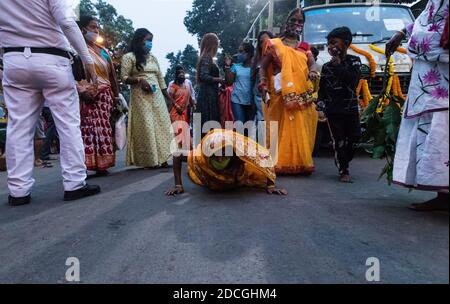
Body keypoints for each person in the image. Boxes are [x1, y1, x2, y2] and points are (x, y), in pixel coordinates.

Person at [0, 0, 101, 206]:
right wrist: (87, 60)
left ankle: (18, 191)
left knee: (18, 127)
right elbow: (66, 21)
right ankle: (74, 184)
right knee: (68, 125)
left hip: (14, 58)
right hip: (52, 59)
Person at [386, 0, 449, 211]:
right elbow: (428, 19)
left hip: (443, 79)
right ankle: (443, 195)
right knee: (435, 133)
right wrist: (402, 32)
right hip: (429, 82)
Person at [258, 8, 320, 175]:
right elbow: (263, 67)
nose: (297, 24)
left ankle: (298, 163)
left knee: (297, 126)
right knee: (278, 126)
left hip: (299, 94)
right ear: (287, 21)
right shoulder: (275, 44)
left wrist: (313, 71)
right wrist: (263, 84)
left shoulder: (304, 46)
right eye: (294, 20)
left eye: (300, 21)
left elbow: (311, 63)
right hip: (279, 93)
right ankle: (277, 161)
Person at [166, 129, 287, 196]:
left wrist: (271, 185)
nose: (219, 157)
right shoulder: (201, 155)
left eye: (223, 153)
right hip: (205, 170)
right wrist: (178, 185)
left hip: (233, 177)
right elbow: (177, 154)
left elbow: (264, 155)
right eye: (216, 154)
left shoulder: (238, 149)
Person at [121, 28, 175, 169]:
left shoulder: (153, 58)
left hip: (157, 97)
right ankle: (150, 161)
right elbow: (124, 78)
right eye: (148, 40)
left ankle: (164, 159)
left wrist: (169, 98)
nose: (150, 43)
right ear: (139, 41)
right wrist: (139, 80)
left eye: (151, 41)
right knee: (147, 127)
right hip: (141, 97)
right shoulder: (129, 57)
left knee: (162, 125)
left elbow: (161, 79)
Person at [317, 27, 362, 183]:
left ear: (347, 43)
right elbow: (322, 89)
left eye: (334, 42)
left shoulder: (355, 61)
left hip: (350, 109)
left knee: (355, 137)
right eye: (328, 44)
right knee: (339, 140)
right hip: (333, 111)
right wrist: (320, 106)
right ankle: (344, 170)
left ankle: (343, 159)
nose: (331, 47)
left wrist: (339, 66)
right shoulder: (326, 67)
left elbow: (353, 81)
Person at [77, 16, 120, 177]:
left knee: (104, 129)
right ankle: (87, 164)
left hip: (105, 96)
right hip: (87, 94)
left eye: (97, 28)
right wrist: (83, 91)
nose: (96, 30)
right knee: (88, 129)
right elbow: (74, 73)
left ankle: (102, 165)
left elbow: (112, 76)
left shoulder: (103, 51)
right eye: (92, 27)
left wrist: (116, 96)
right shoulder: (77, 49)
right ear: (82, 29)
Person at [195, 33, 225, 137]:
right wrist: (220, 79)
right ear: (213, 44)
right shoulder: (207, 57)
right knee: (209, 121)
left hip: (209, 93)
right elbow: (204, 76)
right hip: (208, 95)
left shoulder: (206, 57)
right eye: (217, 42)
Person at [224, 42, 255, 127]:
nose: (239, 54)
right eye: (239, 51)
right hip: (237, 101)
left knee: (248, 129)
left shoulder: (255, 68)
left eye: (241, 51)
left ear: (249, 54)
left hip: (251, 102)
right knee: (240, 126)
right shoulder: (235, 66)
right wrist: (227, 66)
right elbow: (229, 82)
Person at [168, 66, 195, 149]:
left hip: (185, 112)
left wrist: (194, 105)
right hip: (175, 113)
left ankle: (186, 153)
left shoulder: (187, 85)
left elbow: (190, 96)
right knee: (178, 133)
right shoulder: (173, 86)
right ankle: (179, 154)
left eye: (183, 73)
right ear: (176, 75)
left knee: (185, 132)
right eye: (180, 74)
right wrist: (175, 108)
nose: (182, 75)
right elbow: (170, 99)